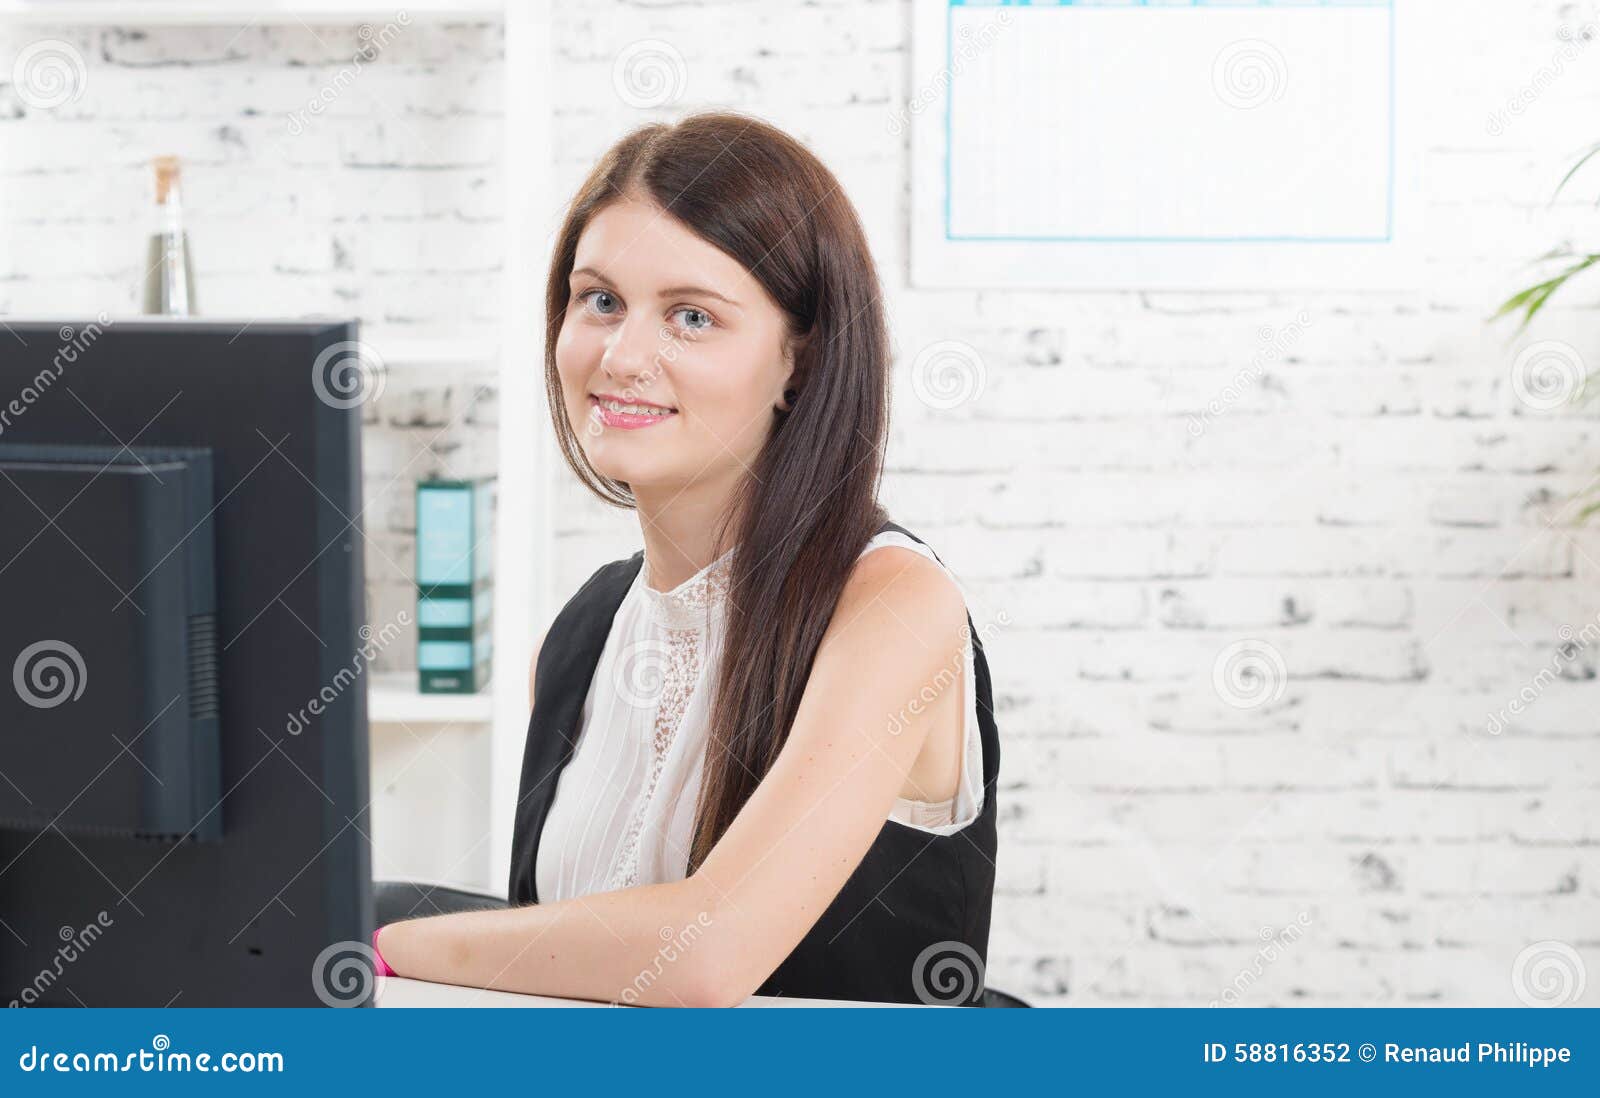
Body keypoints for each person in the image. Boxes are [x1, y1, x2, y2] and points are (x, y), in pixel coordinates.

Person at [373, 111, 1000, 1006]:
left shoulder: (893, 602)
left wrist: (377, 940)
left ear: (799, 359)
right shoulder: (586, 632)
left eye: (692, 316)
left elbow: (709, 953)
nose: (624, 355)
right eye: (599, 301)